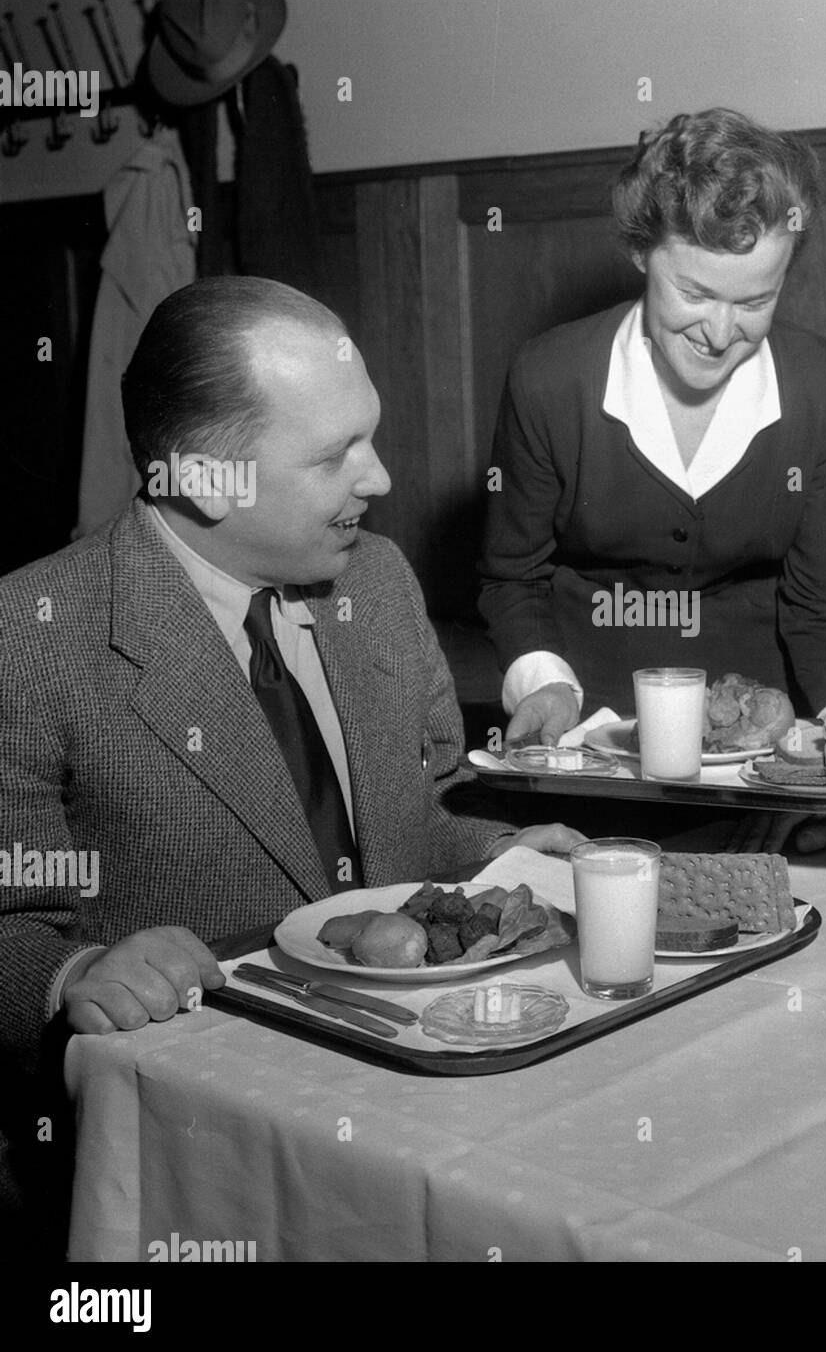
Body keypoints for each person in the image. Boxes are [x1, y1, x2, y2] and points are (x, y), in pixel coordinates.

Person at [0, 277, 577, 1240]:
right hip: (201, 1161)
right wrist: (76, 976)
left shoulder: (380, 583)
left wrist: (510, 853)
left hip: (426, 1111)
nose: (381, 478)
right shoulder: (29, 635)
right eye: (333, 454)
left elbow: (423, 814)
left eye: (371, 435)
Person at [479, 108, 826, 746]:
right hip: (593, 725)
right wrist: (544, 681)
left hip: (758, 742)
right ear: (640, 250)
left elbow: (824, 604)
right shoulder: (548, 377)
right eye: (694, 294)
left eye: (754, 303)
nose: (721, 335)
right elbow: (512, 576)